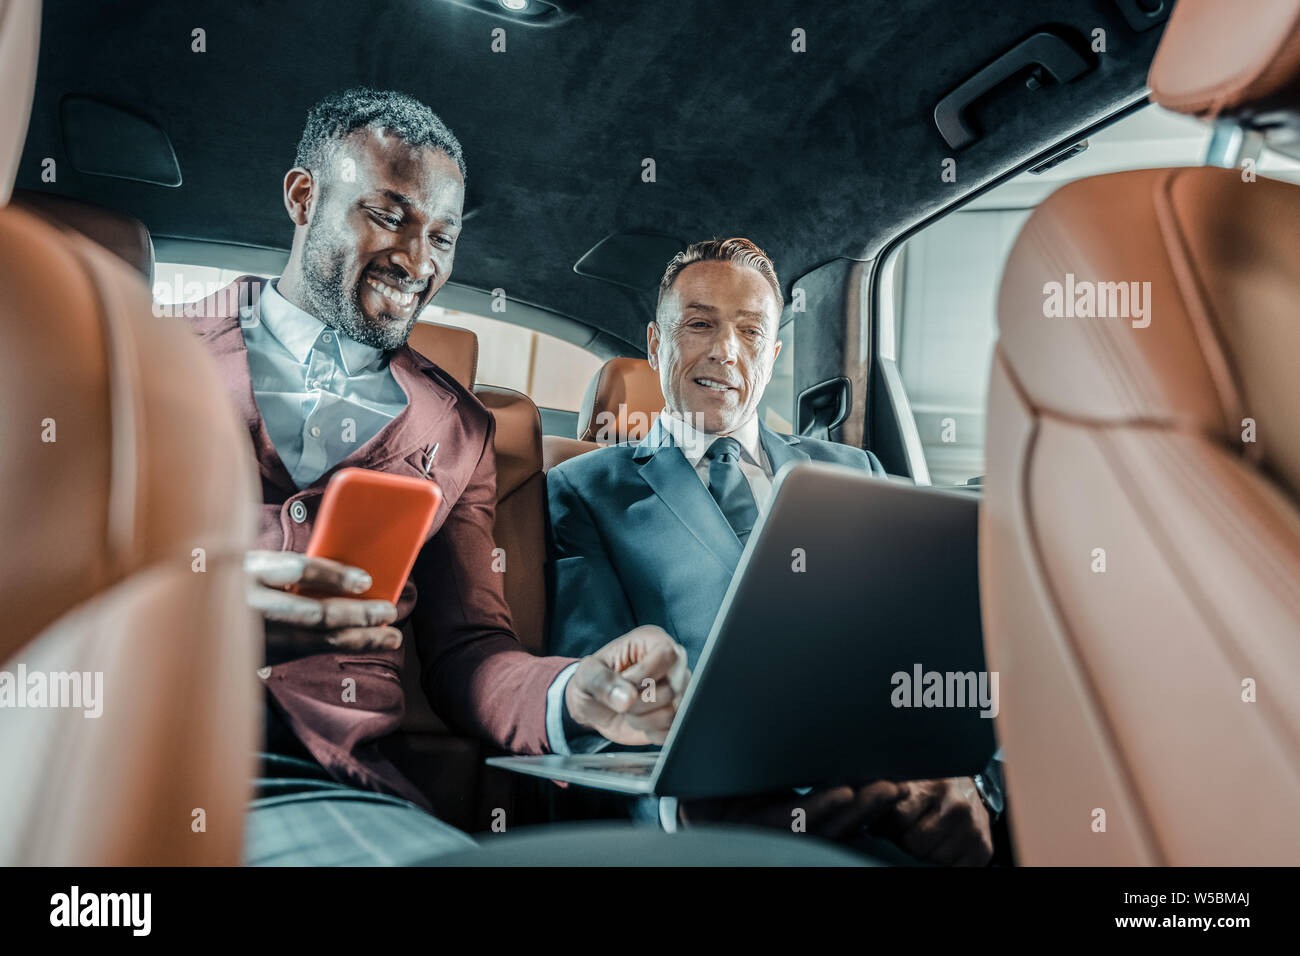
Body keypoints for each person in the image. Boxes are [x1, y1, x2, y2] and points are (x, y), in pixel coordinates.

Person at [181, 88, 687, 864]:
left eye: (442, 238)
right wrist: (192, 612)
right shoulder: (138, 354)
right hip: (132, 746)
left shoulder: (460, 432)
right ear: (303, 197)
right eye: (389, 217)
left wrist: (568, 693)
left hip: (327, 785)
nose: (419, 263)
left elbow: (469, 651)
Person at [545, 238, 999, 865]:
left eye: (751, 332)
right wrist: (688, 816)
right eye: (699, 324)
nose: (725, 351)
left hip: (887, 778)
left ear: (773, 353)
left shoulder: (855, 468)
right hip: (718, 812)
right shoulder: (585, 489)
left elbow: (925, 643)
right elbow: (601, 700)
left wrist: (966, 774)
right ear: (655, 344)